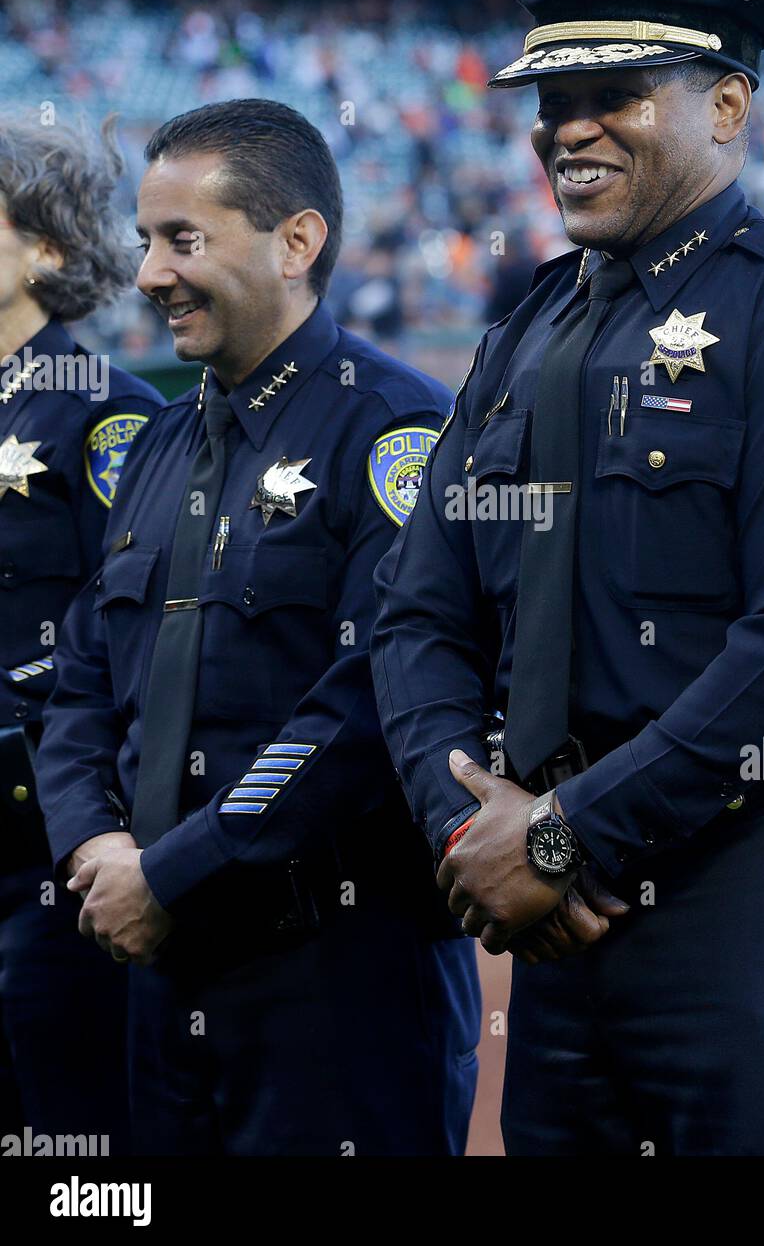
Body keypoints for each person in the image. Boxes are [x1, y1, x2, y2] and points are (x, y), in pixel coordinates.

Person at [372, 0, 764, 1156]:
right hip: (554, 927)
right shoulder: (522, 333)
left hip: (748, 907)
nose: (567, 130)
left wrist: (565, 832)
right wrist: (472, 829)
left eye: (614, 94)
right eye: (549, 103)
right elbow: (415, 613)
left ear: (726, 106)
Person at [34, 99, 479, 1156]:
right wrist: (96, 844)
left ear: (296, 241)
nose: (149, 273)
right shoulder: (159, 442)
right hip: (161, 970)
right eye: (146, 240)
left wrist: (173, 871)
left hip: (335, 978)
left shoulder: (395, 431)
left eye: (183, 240)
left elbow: (366, 704)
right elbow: (82, 677)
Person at [0, 116, 162, 1151]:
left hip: (52, 852)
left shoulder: (108, 414)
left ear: (49, 248)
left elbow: (128, 643)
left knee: (77, 1142)